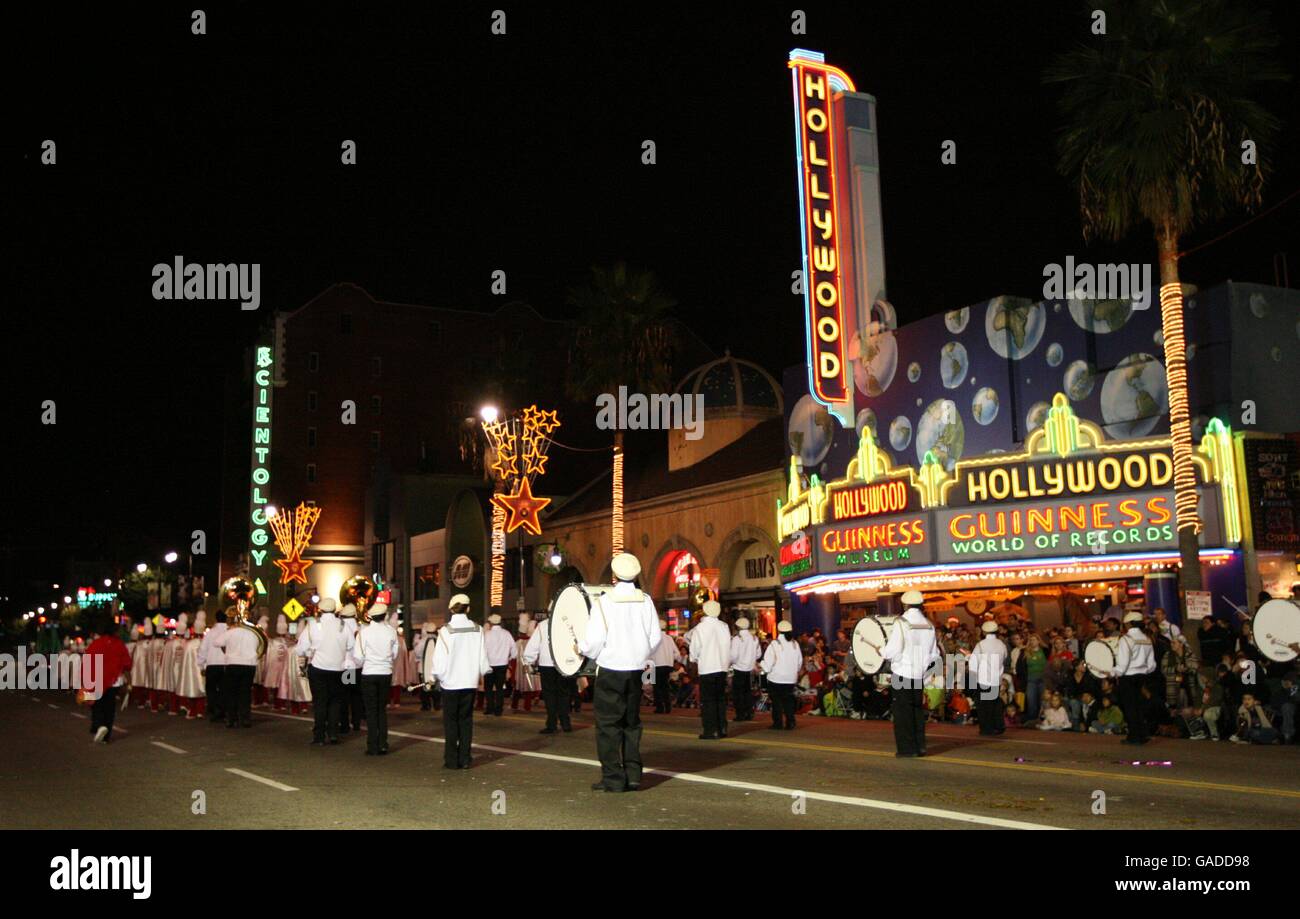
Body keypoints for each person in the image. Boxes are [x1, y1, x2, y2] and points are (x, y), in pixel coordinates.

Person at [581, 553, 662, 793]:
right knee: (632, 722)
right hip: (636, 668)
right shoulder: (645, 600)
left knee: (608, 725)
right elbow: (655, 637)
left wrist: (583, 649)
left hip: (611, 668)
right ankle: (634, 775)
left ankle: (613, 778)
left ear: (614, 575)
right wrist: (640, 654)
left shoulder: (605, 601)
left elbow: (595, 640)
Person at [429, 594, 492, 769]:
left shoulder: (445, 631)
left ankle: (451, 759)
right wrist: (482, 671)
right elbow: (482, 657)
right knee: (466, 720)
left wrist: (434, 676)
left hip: (450, 683)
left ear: (451, 609)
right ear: (468, 608)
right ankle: (465, 758)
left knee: (450, 721)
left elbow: (439, 660)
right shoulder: (477, 629)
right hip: (469, 682)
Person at [881, 590, 941, 757]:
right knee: (917, 712)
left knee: (902, 714)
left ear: (905, 604)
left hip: (903, 673)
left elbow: (893, 650)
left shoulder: (901, 622)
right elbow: (934, 654)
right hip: (919, 675)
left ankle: (907, 749)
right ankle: (920, 746)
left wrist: (881, 651)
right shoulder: (929, 624)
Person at [296, 597, 353, 745]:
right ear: (335, 610)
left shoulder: (313, 625)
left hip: (319, 668)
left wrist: (310, 652)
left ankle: (319, 736)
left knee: (320, 702)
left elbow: (301, 648)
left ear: (320, 610)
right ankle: (333, 733)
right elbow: (351, 647)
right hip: (339, 669)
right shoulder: (343, 625)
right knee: (335, 701)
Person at [354, 601, 400, 755]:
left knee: (371, 711)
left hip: (369, 673)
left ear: (370, 617)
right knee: (381, 710)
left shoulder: (363, 632)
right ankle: (383, 743)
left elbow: (358, 657)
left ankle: (372, 745)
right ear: (385, 615)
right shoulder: (391, 632)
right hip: (385, 673)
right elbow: (395, 654)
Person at [83, 613, 133, 744]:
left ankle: (99, 725)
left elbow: (88, 662)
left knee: (97, 705)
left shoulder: (96, 644)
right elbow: (127, 664)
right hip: (114, 681)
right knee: (110, 707)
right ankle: (106, 736)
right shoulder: (120, 644)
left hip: (97, 679)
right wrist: (129, 683)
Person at [523, 613, 573, 734]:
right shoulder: (567, 623)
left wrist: (528, 660)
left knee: (549, 695)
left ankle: (551, 724)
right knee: (564, 694)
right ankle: (565, 723)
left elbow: (533, 645)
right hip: (563, 664)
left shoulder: (542, 625)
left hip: (546, 664)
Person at [1112, 611, 1156, 745]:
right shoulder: (1147, 639)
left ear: (1129, 624)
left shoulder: (1126, 639)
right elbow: (1152, 664)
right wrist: (1143, 671)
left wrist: (1112, 672)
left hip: (1128, 678)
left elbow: (1122, 665)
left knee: (1130, 707)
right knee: (1139, 706)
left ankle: (1134, 736)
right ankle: (1143, 734)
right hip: (1142, 676)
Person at [689, 600, 731, 740]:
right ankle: (722, 727)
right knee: (720, 699)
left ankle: (711, 730)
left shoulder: (700, 628)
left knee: (708, 701)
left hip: (707, 667)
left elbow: (694, 649)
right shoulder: (724, 626)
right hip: (722, 667)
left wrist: (693, 659)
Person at [216, 612, 264, 728]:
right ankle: (245, 718)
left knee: (231, 692)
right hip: (249, 665)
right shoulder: (254, 634)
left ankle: (231, 718)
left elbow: (217, 642)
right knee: (245, 692)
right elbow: (260, 647)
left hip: (233, 664)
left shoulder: (231, 632)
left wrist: (227, 648)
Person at [760, 621, 803, 730]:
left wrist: (762, 667)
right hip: (790, 678)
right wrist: (794, 672)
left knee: (777, 702)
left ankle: (778, 723)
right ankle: (791, 722)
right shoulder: (795, 644)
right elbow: (799, 662)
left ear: (779, 630)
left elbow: (768, 663)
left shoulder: (774, 644)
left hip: (776, 678)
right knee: (788, 701)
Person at [968, 620, 1006, 735]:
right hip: (996, 679)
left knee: (984, 706)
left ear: (984, 632)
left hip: (983, 679)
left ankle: (986, 728)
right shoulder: (1001, 644)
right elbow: (1004, 658)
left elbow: (973, 663)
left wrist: (972, 679)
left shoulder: (981, 645)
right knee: (995, 704)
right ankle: (998, 726)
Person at [483, 613, 517, 716]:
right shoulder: (506, 634)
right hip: (502, 664)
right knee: (500, 688)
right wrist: (510, 658)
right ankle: (498, 709)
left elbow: (482, 650)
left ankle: (490, 708)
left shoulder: (487, 635)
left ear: (491, 623)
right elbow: (514, 650)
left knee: (488, 688)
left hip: (489, 664)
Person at [197, 611, 228, 723]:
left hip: (212, 665)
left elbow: (203, 649)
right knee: (224, 689)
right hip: (226, 665)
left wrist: (201, 665)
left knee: (211, 690)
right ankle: (223, 711)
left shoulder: (210, 633)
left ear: (216, 619)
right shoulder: (229, 631)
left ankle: (214, 711)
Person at [175, 612, 207, 719]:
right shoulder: (205, 643)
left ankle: (193, 711)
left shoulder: (189, 644)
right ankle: (200, 711)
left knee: (192, 690)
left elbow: (185, 663)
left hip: (191, 672)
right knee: (202, 689)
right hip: (203, 670)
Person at [338, 604, 364, 735]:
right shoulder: (359, 627)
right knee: (356, 696)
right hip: (358, 666)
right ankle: (356, 722)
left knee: (344, 696)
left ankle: (344, 724)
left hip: (346, 666)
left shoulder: (342, 627)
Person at [730, 617, 760, 722]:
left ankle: (740, 714)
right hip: (750, 669)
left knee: (738, 693)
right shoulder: (754, 638)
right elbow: (758, 654)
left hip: (739, 669)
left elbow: (733, 656)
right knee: (748, 692)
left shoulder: (737, 639)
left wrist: (731, 662)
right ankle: (749, 713)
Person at [649, 619, 680, 714]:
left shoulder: (654, 638)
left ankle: (659, 707)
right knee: (665, 686)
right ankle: (667, 706)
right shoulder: (669, 638)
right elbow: (677, 653)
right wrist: (670, 658)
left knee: (657, 687)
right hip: (667, 666)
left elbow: (649, 652)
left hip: (656, 665)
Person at [510, 614, 540, 712]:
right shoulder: (532, 642)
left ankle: (515, 705)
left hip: (520, 668)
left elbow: (513, 656)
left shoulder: (519, 642)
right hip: (531, 667)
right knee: (529, 686)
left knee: (519, 687)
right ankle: (527, 706)